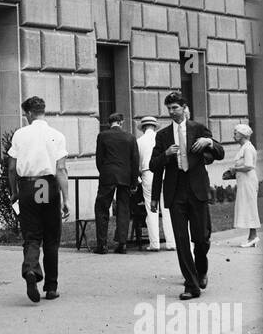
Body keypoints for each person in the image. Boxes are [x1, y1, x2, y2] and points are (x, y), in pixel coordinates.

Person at [148, 91, 225, 299]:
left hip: (197, 190)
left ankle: (201, 270)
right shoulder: (162, 136)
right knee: (181, 241)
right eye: (169, 109)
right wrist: (166, 155)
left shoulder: (198, 129)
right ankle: (191, 285)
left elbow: (220, 152)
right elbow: (153, 166)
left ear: (184, 108)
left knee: (201, 239)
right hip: (176, 191)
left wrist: (208, 143)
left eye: (175, 108)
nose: (172, 112)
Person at [7, 96, 70, 304]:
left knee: (32, 235)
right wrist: (66, 198)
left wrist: (14, 191)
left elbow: (11, 167)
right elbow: (61, 169)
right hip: (47, 185)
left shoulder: (20, 134)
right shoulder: (57, 135)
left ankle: (31, 269)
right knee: (51, 238)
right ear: (43, 111)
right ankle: (51, 287)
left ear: (28, 113)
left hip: (28, 185)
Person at [93, 112, 140, 254]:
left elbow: (99, 159)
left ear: (110, 123)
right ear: (121, 122)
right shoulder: (130, 137)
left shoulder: (102, 136)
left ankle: (102, 244)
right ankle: (122, 243)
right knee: (123, 209)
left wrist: (104, 172)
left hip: (108, 175)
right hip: (125, 177)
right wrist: (134, 182)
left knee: (102, 208)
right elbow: (135, 161)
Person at [137, 115, 175, 252]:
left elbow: (138, 163)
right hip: (163, 173)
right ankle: (171, 242)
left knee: (151, 209)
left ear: (143, 128)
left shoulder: (139, 141)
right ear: (154, 126)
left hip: (148, 173)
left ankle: (155, 243)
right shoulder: (161, 138)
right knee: (167, 209)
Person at [230, 123, 260, 247]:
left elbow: (249, 166)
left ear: (242, 135)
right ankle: (252, 236)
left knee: (250, 207)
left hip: (248, 181)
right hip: (244, 181)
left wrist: (234, 169)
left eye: (235, 133)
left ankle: (253, 237)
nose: (233, 136)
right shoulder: (244, 147)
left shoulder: (248, 148)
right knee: (248, 207)